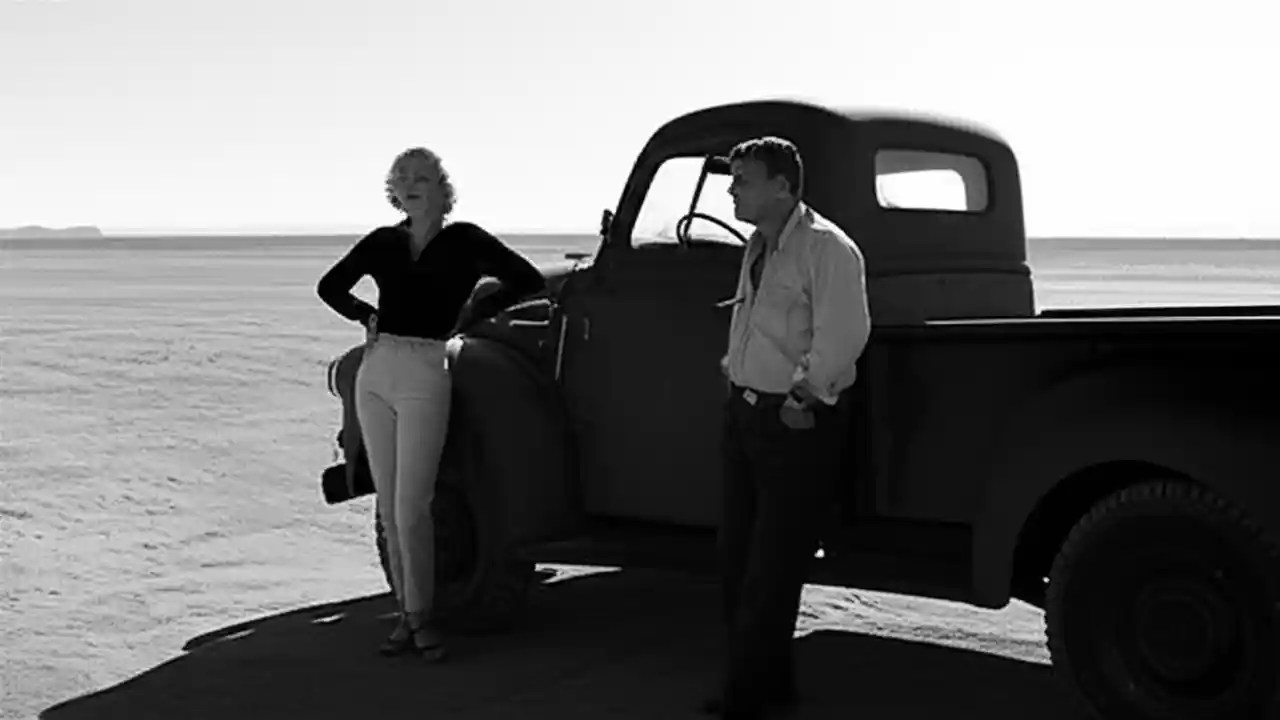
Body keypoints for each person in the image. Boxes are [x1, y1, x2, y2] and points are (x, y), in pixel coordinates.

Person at [316, 147, 545, 662]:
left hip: (426, 367)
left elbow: (527, 280)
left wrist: (476, 310)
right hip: (377, 370)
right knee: (391, 509)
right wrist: (364, 315)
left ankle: (421, 619)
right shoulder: (382, 242)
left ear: (442, 189)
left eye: (423, 177)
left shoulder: (465, 240)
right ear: (394, 191)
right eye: (403, 179)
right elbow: (329, 286)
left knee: (413, 505)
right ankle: (409, 618)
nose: (412, 185)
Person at [705, 136, 872, 719]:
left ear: (783, 185)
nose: (731, 189)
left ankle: (749, 699)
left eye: (743, 179)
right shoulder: (757, 245)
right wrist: (733, 379)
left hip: (794, 419)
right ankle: (761, 684)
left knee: (773, 566)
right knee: (736, 558)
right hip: (747, 415)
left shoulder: (827, 248)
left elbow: (843, 334)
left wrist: (802, 397)